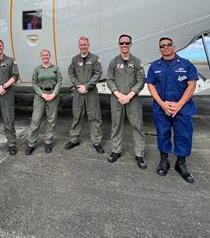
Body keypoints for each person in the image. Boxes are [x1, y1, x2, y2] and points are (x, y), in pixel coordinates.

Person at [146, 37, 198, 183]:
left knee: (184, 135)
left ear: (174, 47)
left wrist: (179, 104)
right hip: (161, 108)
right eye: (162, 46)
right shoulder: (155, 65)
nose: (165, 47)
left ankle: (181, 164)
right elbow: (150, 85)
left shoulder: (186, 65)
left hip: (182, 108)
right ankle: (164, 161)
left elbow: (191, 85)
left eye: (168, 45)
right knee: (163, 134)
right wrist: (162, 104)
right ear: (160, 49)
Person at [106, 34, 147, 168]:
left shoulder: (136, 62)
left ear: (130, 44)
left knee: (137, 125)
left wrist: (128, 96)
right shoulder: (113, 62)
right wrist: (119, 95)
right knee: (116, 125)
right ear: (119, 45)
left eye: (127, 43)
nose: (124, 45)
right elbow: (109, 80)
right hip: (117, 98)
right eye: (122, 43)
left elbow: (141, 81)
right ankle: (116, 150)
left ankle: (139, 154)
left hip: (132, 99)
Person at [64, 36, 104, 154]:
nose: (83, 47)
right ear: (79, 46)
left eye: (85, 44)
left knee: (94, 116)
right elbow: (71, 73)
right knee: (77, 115)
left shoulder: (95, 58)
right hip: (78, 92)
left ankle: (97, 141)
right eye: (81, 45)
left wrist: (86, 86)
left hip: (91, 92)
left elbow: (98, 73)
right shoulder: (74, 59)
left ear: (88, 45)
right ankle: (75, 139)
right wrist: (78, 86)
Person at [25, 49, 63, 155]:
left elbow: (60, 82)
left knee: (51, 120)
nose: (45, 56)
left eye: (47, 55)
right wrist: (42, 94)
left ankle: (48, 142)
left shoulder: (55, 68)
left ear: (50, 56)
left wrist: (53, 94)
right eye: (43, 55)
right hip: (40, 95)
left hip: (52, 95)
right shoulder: (37, 69)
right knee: (36, 120)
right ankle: (31, 144)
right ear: (41, 57)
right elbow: (34, 83)